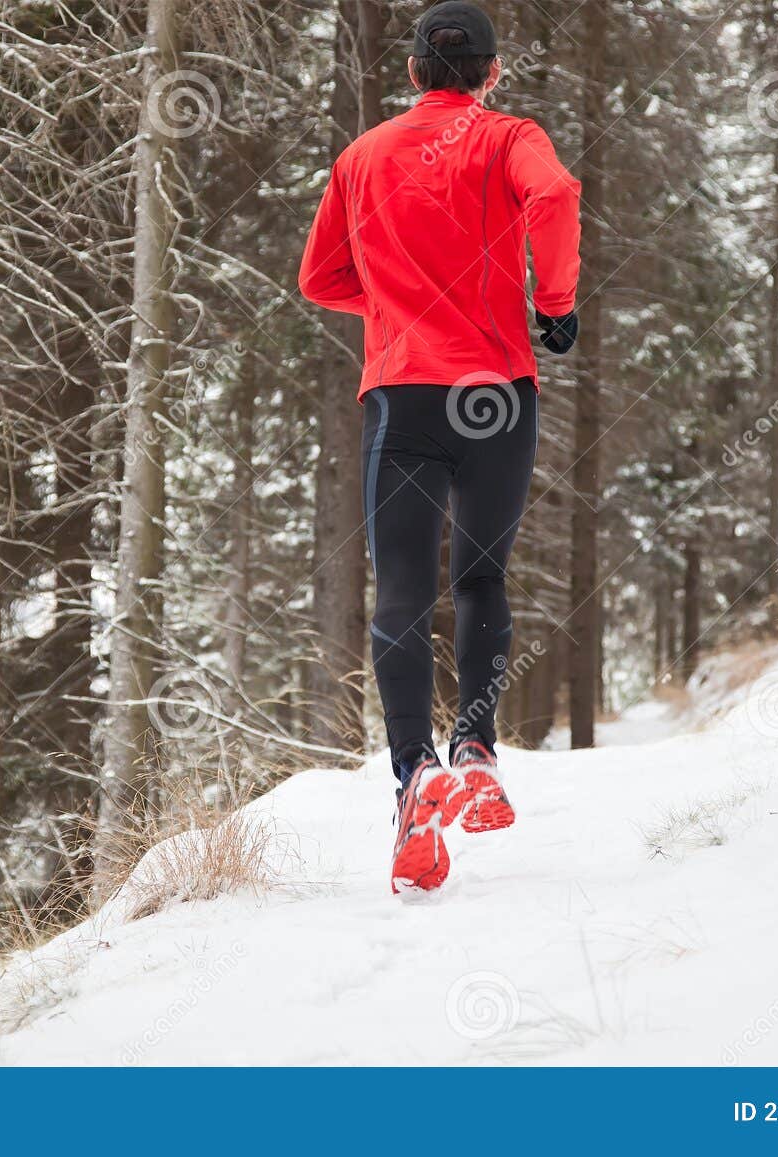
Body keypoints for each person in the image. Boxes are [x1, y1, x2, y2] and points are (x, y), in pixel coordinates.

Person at [298, 0, 581, 892]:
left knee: (404, 596)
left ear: (415, 73)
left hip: (401, 397)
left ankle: (414, 773)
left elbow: (320, 277)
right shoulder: (508, 138)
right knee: (482, 578)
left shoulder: (360, 157)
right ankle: (479, 748)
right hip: (495, 392)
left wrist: (392, 308)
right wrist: (554, 304)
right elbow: (558, 194)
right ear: (491, 73)